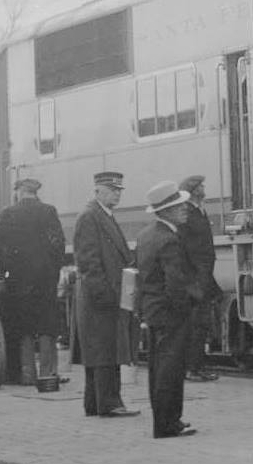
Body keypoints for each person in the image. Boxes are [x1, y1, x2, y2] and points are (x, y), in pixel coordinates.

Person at [136, 181, 205, 438]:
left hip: (154, 310)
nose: (184, 209)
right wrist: (186, 306)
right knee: (170, 369)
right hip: (171, 313)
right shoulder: (169, 240)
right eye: (179, 206)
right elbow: (175, 282)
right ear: (166, 211)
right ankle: (167, 424)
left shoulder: (146, 235)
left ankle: (166, 420)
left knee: (158, 368)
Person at [72, 170, 140, 419]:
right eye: (112, 190)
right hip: (100, 297)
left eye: (119, 191)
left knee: (102, 351)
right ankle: (110, 404)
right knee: (105, 351)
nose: (117, 195)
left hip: (105, 294)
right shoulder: (91, 217)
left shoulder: (102, 215)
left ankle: (96, 403)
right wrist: (104, 295)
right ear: (97, 190)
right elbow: (88, 261)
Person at [0, 178, 67, 389]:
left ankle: (27, 374)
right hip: (45, 278)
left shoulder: (8, 213)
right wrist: (53, 269)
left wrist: (8, 269)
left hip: (19, 278)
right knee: (47, 325)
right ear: (35, 192)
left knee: (24, 325)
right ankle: (48, 373)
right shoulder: (49, 211)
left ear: (18, 192)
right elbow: (59, 244)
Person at [177, 174, 221, 383]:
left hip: (203, 276)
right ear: (194, 190)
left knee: (201, 324)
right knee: (196, 324)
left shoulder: (199, 211)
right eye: (201, 185)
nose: (204, 188)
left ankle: (197, 366)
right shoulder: (188, 213)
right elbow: (187, 248)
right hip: (196, 278)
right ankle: (192, 368)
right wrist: (197, 277)